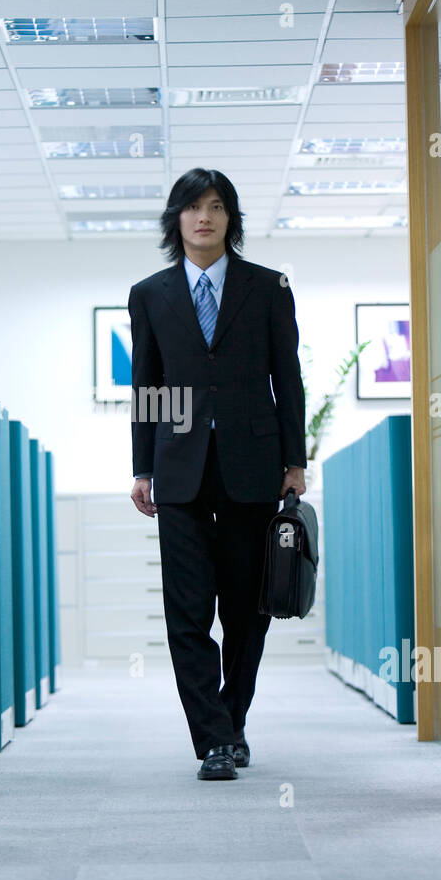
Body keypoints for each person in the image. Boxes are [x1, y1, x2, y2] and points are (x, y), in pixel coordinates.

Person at [128, 167, 307, 779]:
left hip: (252, 467)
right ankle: (214, 740)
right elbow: (147, 385)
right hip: (178, 471)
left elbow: (288, 378)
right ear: (176, 220)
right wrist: (142, 467)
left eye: (216, 207)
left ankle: (233, 720)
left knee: (245, 609)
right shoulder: (150, 293)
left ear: (231, 220)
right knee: (187, 609)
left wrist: (295, 461)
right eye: (192, 207)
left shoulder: (267, 287)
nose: (204, 217)